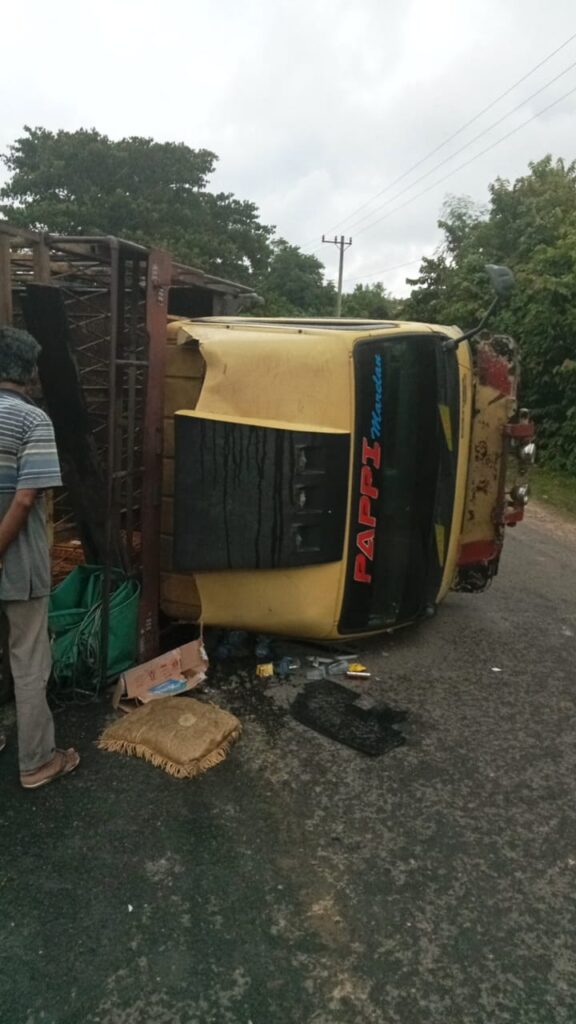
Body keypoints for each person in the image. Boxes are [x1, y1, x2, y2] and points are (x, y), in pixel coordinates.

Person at [0, 327, 79, 788]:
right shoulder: (32, 422)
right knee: (29, 660)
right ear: (30, 372)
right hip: (18, 565)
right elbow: (25, 500)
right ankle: (37, 762)